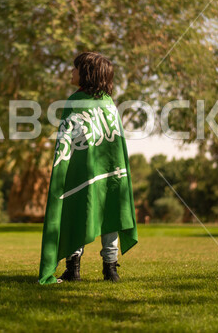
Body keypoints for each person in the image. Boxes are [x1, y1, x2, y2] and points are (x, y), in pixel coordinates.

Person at [38, 51, 138, 284]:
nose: (71, 72)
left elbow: (68, 142)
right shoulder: (108, 104)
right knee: (110, 211)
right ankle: (110, 270)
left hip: (81, 171)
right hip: (111, 171)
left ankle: (74, 269)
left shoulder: (75, 101)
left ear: (87, 74)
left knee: (78, 211)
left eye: (75, 68)